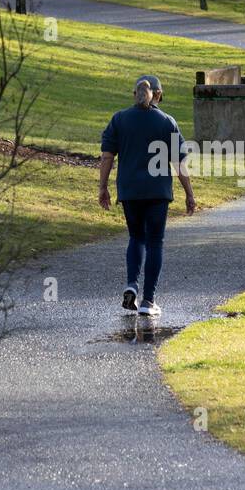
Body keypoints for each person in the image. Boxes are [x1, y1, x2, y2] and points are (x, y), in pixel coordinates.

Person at [98, 74, 195, 316]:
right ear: (158, 95)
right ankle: (148, 302)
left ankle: (132, 284)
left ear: (135, 94)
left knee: (136, 238)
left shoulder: (119, 120)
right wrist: (189, 194)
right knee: (155, 243)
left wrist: (103, 187)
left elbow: (107, 156)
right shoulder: (167, 122)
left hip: (129, 191)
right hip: (157, 192)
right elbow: (179, 163)